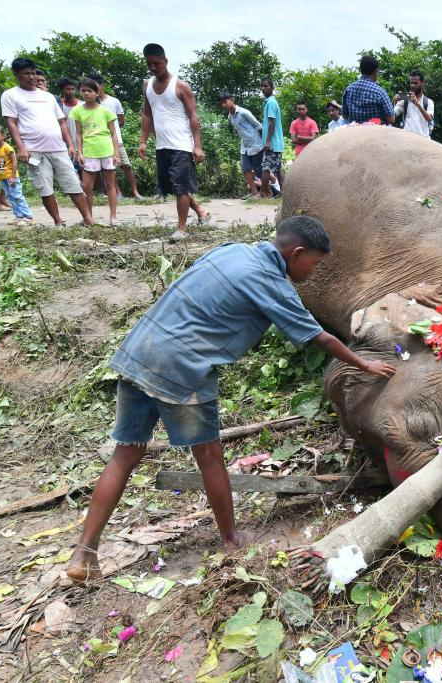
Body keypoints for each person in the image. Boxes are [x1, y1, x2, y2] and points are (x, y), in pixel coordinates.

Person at [65, 215, 397, 584]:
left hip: (139, 352)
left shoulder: (232, 251)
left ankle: (84, 552)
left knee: (125, 455)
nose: (313, 272)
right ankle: (231, 538)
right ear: (297, 252)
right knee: (209, 458)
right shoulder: (271, 282)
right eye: (314, 264)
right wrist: (364, 363)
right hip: (182, 370)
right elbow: (319, 338)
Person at [1, 58, 93, 226]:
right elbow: (11, 122)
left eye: (32, 73)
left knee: (73, 184)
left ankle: (88, 219)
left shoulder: (48, 96)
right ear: (16, 75)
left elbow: (61, 121)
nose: (31, 77)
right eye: (25, 74)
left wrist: (70, 145)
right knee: (44, 187)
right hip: (34, 151)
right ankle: (58, 222)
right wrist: (21, 148)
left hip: (58, 149)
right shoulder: (10, 95)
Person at [140, 43, 210, 241]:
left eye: (157, 63)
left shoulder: (180, 86)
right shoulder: (147, 86)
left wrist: (197, 146)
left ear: (166, 61)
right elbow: (146, 114)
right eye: (149, 64)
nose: (153, 67)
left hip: (181, 145)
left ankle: (182, 229)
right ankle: (201, 212)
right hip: (162, 145)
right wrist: (143, 141)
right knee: (174, 185)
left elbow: (193, 116)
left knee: (180, 187)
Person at [71, 79, 121, 225]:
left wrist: (116, 153)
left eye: (89, 91)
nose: (86, 93)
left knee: (110, 185)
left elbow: (113, 133)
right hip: (89, 152)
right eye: (83, 90)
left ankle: (113, 217)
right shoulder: (77, 110)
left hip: (106, 150)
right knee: (87, 186)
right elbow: (78, 134)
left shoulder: (106, 111)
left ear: (97, 92)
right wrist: (79, 152)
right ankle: (89, 217)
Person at [89, 73, 145, 201]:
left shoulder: (114, 101)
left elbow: (121, 121)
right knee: (110, 169)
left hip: (117, 140)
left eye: (95, 85)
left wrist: (111, 130)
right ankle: (118, 193)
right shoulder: (91, 105)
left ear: (101, 85)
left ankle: (136, 193)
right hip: (101, 142)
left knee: (127, 166)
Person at [219, 92, 264, 198]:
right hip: (245, 145)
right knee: (245, 168)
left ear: (231, 99)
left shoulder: (244, 112)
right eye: (221, 104)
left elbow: (258, 126)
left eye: (225, 102)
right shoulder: (230, 116)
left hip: (255, 144)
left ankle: (269, 189)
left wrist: (265, 144)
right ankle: (254, 193)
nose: (224, 105)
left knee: (259, 170)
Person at [0, 124, 31, 224]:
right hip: (2, 177)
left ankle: (28, 217)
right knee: (11, 197)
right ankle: (19, 216)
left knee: (17, 196)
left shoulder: (7, 147)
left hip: (11, 177)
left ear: (3, 136)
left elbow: (14, 162)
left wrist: (12, 176)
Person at [342, 55, 395, 125]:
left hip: (355, 133)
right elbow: (391, 119)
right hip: (375, 133)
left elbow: (344, 115)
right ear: (376, 71)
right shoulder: (379, 92)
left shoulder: (348, 90)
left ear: (360, 70)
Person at [259, 78, 284, 198]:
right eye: (261, 86)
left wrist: (268, 141)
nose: (263, 88)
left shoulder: (270, 103)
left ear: (272, 87)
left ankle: (264, 193)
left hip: (273, 144)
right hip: (276, 144)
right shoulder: (269, 102)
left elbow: (272, 123)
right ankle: (284, 193)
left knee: (265, 168)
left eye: (266, 86)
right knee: (278, 169)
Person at [393, 70, 434, 138]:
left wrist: (417, 104)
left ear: (422, 83)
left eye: (416, 83)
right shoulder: (405, 100)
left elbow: (429, 119)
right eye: (411, 83)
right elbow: (393, 114)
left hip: (424, 139)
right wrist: (395, 101)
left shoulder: (428, 102)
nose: (413, 85)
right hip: (407, 138)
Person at [57, 77, 81, 164]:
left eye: (72, 89)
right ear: (62, 90)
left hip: (82, 143)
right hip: (65, 144)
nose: (71, 92)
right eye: (67, 89)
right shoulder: (58, 106)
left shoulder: (82, 105)